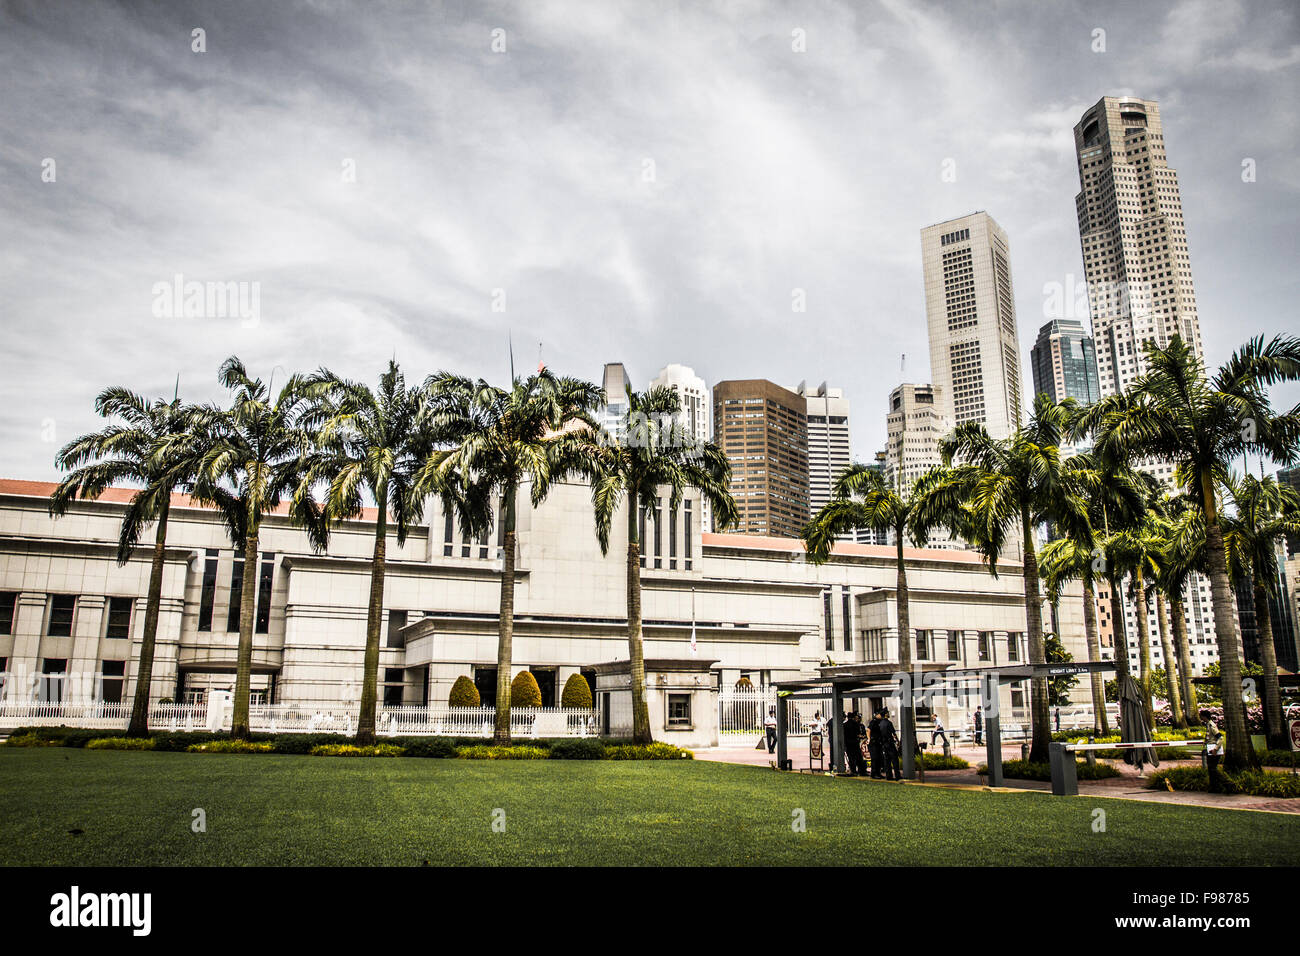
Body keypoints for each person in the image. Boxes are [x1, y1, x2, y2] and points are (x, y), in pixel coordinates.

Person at [1202, 709, 1224, 793]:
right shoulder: (1208, 725)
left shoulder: (1212, 725)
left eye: (1202, 716)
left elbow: (1220, 738)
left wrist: (1215, 749)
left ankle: (1227, 783)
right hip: (1210, 749)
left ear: (1204, 717)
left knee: (1213, 769)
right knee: (1211, 769)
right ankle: (1214, 787)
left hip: (1213, 750)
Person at [878, 708, 901, 780]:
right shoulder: (889, 723)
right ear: (885, 714)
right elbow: (893, 733)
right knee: (894, 760)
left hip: (884, 744)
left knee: (887, 760)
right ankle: (897, 775)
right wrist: (898, 741)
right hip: (890, 743)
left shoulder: (880, 724)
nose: (888, 714)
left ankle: (889, 775)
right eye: (887, 713)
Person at [867, 710, 885, 777]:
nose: (881, 716)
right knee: (875, 758)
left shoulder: (880, 722)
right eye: (880, 714)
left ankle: (878, 773)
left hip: (879, 742)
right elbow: (868, 730)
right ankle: (874, 773)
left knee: (879, 758)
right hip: (874, 743)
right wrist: (869, 739)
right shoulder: (873, 722)